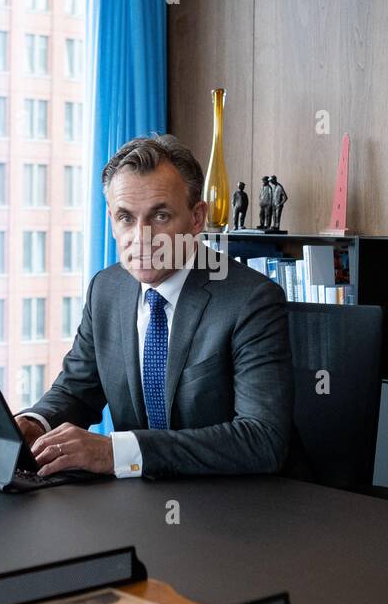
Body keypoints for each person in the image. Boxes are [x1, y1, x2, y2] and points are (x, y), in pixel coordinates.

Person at [15, 134, 293, 478]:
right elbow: (77, 390)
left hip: (229, 508)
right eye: (126, 218)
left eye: (160, 216)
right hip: (136, 504)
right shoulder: (106, 289)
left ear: (196, 218)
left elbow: (262, 440)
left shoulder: (251, 300)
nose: (141, 236)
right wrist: (33, 424)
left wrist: (117, 452)